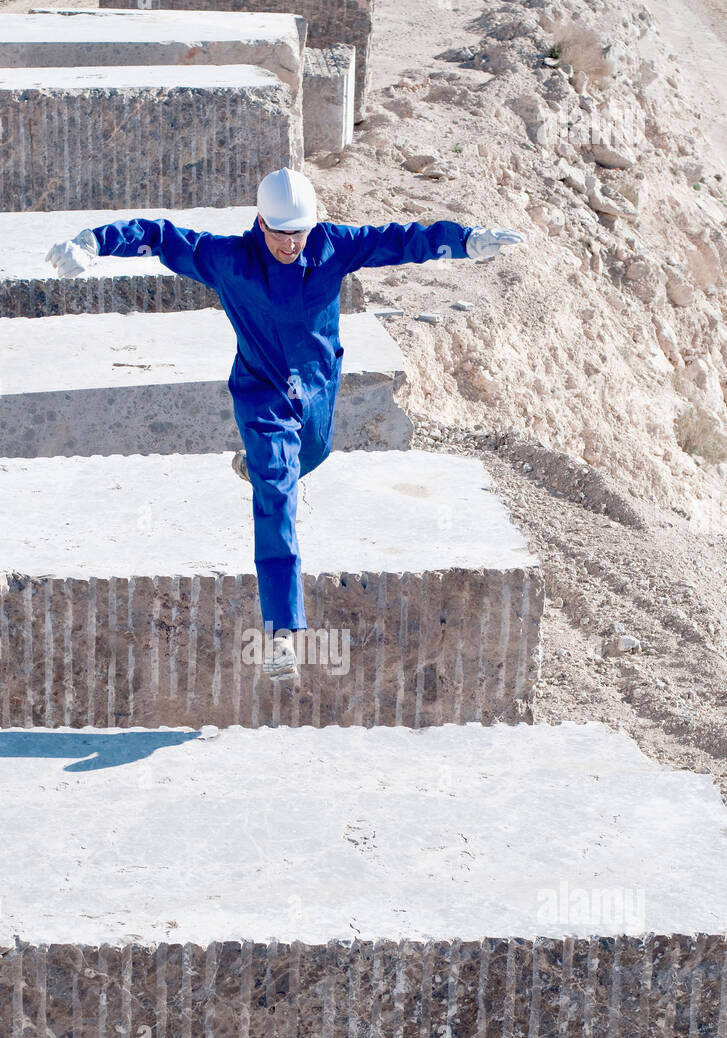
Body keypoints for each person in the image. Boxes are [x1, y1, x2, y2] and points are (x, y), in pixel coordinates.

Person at [45, 168, 526, 680]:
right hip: (264, 399)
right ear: (260, 222)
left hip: (318, 390)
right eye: (279, 233)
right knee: (277, 493)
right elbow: (162, 237)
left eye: (298, 232)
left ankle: (259, 468)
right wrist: (93, 242)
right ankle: (283, 633)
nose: (289, 244)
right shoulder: (229, 261)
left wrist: (466, 241)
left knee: (312, 455)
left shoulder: (333, 247)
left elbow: (399, 240)